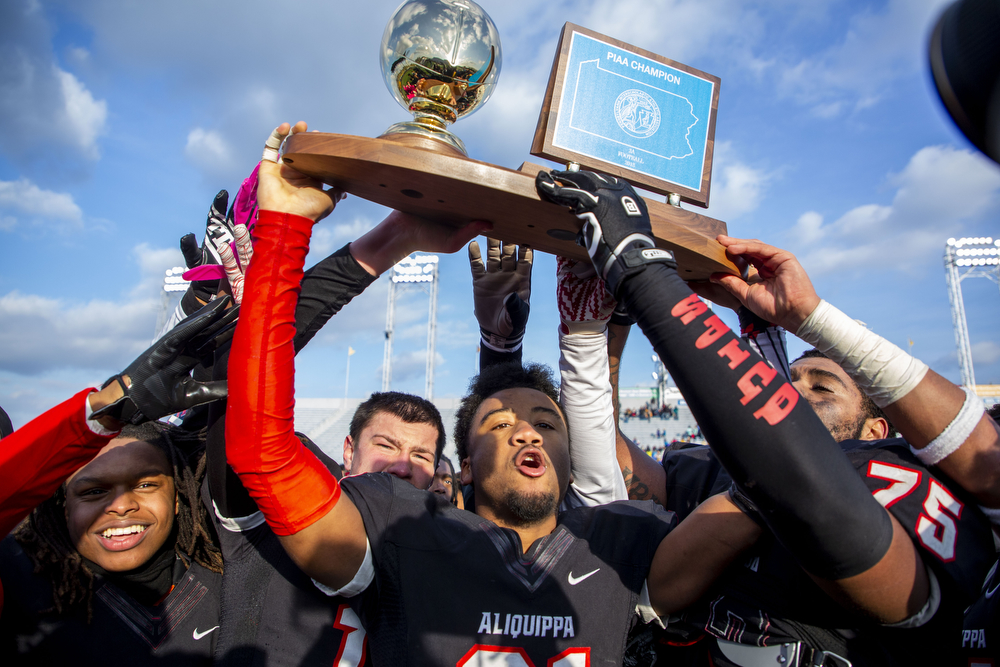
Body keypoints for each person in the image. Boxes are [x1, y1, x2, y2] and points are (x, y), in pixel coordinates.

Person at [0, 299, 236, 664]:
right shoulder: (18, 583)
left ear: (178, 496)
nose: (122, 506)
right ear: (62, 507)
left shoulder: (233, 576)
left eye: (145, 485)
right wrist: (98, 415)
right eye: (94, 491)